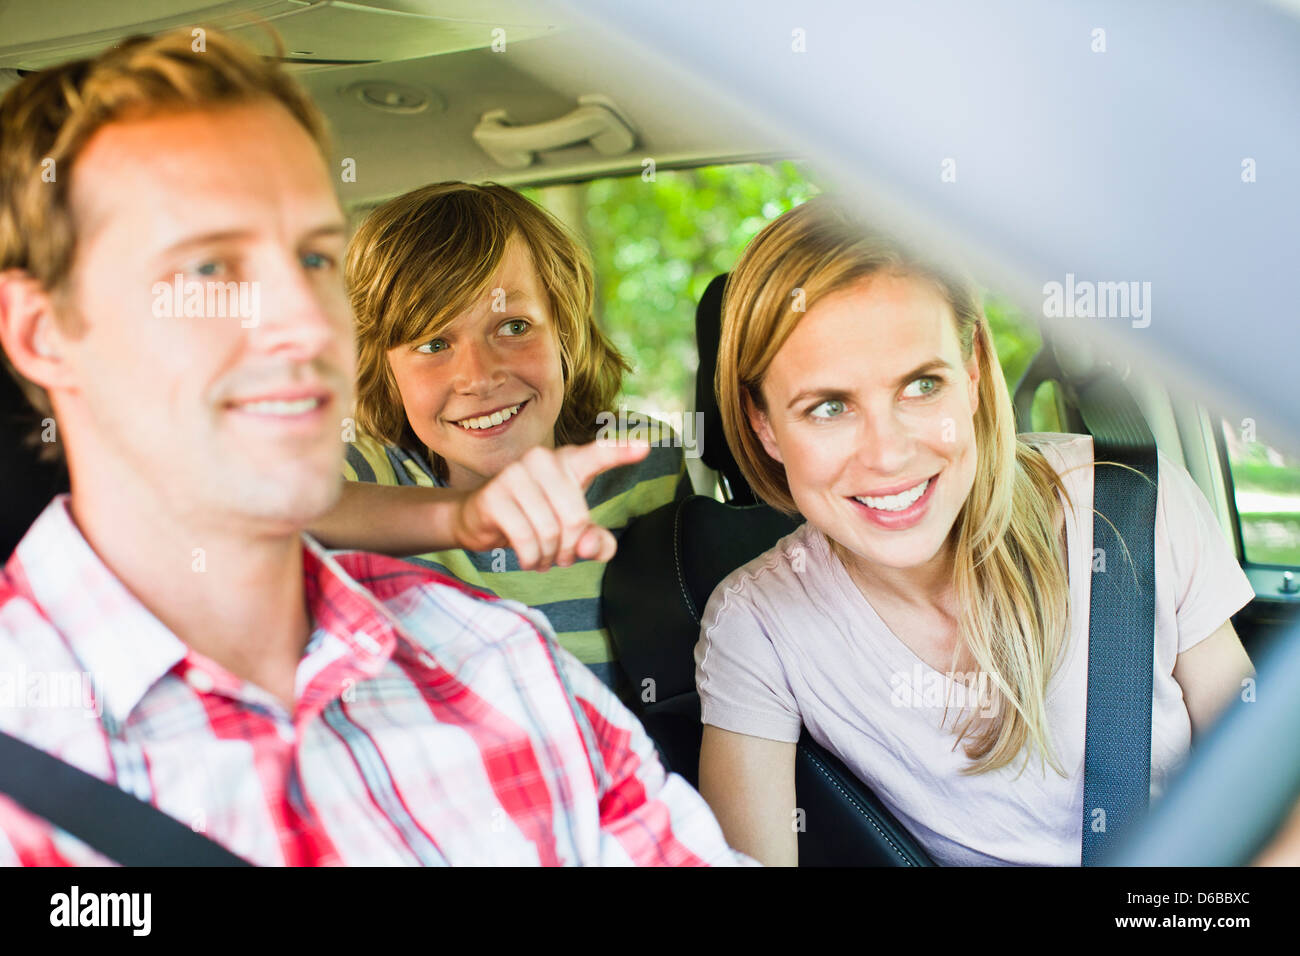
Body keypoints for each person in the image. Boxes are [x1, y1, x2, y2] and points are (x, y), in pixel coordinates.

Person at [0, 27, 743, 866]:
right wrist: (459, 514)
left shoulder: (502, 661)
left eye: (315, 256)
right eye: (209, 269)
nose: (306, 320)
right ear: (43, 332)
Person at [693, 196, 1256, 866]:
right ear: (763, 426)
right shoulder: (758, 625)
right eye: (830, 406)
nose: (888, 454)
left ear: (973, 372)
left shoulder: (1132, 510)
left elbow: (1271, 792)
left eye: (921, 386)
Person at [312, 182, 688, 695]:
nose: (478, 376)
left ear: (565, 330)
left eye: (513, 326)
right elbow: (264, 510)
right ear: (384, 366)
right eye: (434, 343)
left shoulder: (641, 460)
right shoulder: (367, 467)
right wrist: (461, 518)